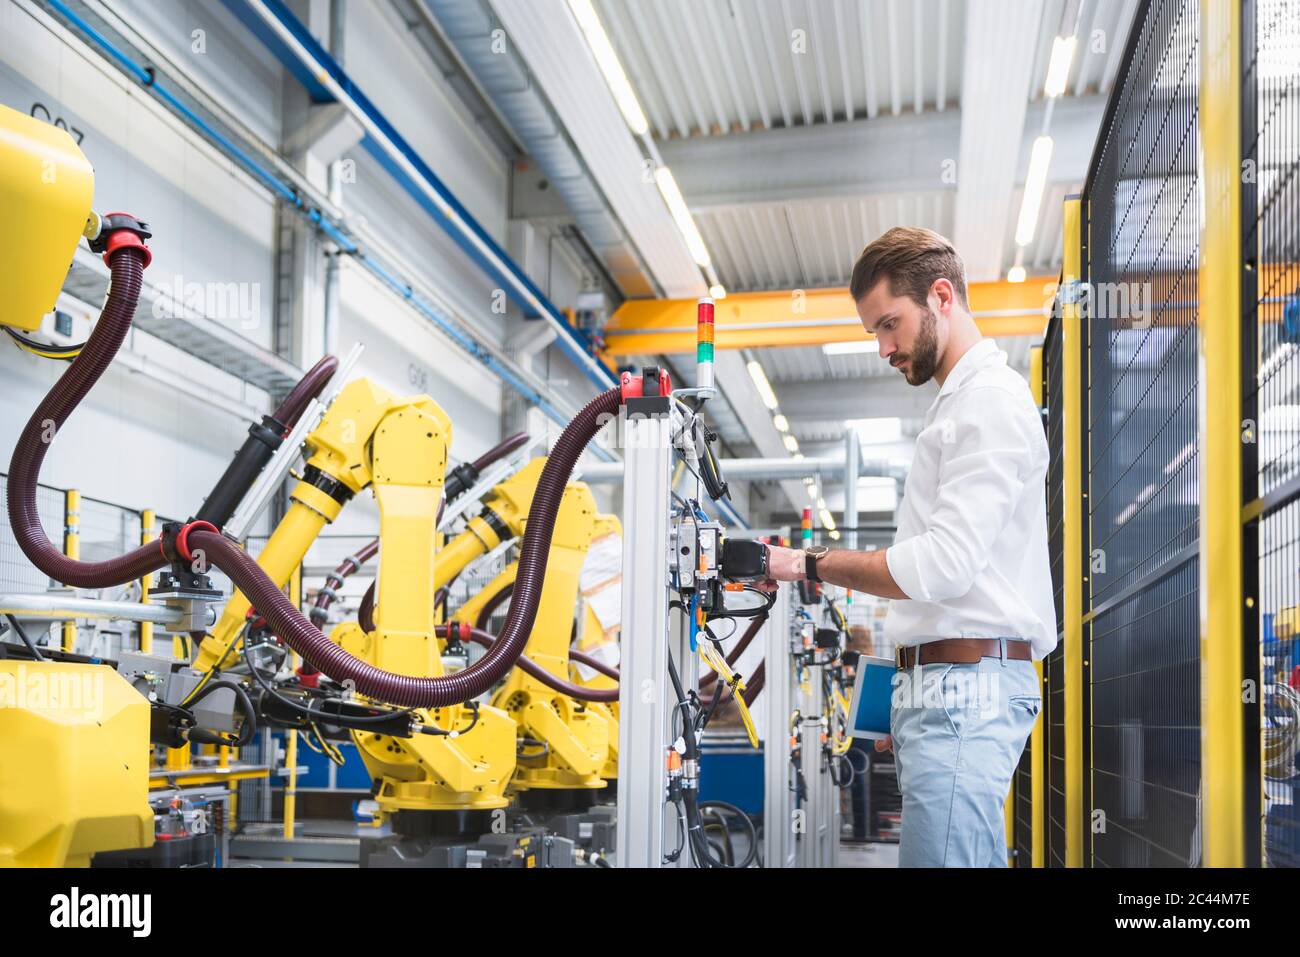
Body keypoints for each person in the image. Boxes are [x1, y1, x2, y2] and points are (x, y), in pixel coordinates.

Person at [764, 226, 1056, 867]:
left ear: (941, 296)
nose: (882, 347)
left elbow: (942, 565)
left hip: (965, 690)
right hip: (946, 689)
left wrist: (805, 563)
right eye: (874, 331)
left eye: (889, 324)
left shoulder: (987, 404)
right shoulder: (956, 407)